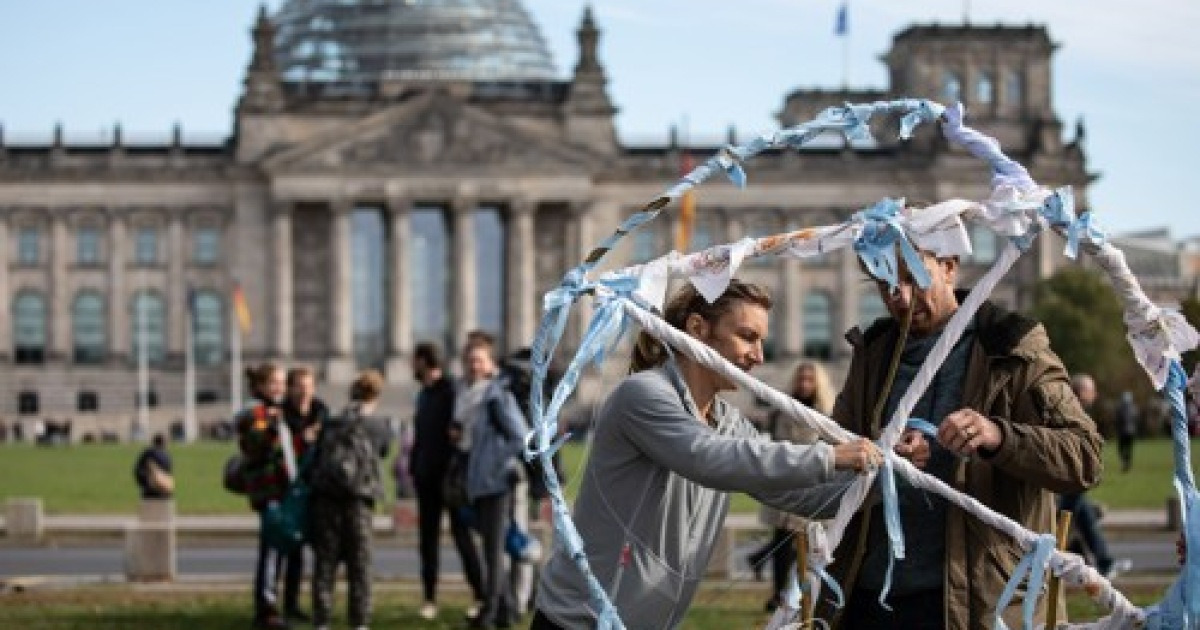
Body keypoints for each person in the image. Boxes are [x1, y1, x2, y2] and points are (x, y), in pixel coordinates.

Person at [532, 280, 882, 630]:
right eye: (747, 337)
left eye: (761, 341)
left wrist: (885, 477)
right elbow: (708, 457)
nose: (759, 356)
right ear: (698, 329)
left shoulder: (728, 422)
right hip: (578, 623)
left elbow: (799, 495)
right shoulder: (641, 394)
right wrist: (828, 457)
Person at [811, 239, 1104, 630]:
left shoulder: (1012, 347)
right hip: (868, 597)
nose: (901, 298)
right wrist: (877, 457)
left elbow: (1085, 458)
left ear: (949, 267)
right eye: (885, 284)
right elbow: (831, 462)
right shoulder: (873, 354)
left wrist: (998, 437)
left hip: (977, 604)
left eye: (914, 278)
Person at [746, 360, 836, 611]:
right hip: (785, 484)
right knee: (782, 542)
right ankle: (777, 595)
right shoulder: (782, 409)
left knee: (810, 544)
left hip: (812, 485)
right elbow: (774, 444)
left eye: (810, 379)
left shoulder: (826, 413)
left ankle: (804, 595)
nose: (804, 384)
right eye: (801, 379)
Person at [454, 334, 529, 630]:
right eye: (470, 360)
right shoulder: (468, 395)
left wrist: (495, 463)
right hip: (479, 483)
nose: (474, 365)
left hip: (496, 484)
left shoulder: (497, 394)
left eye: (479, 360)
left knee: (494, 551)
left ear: (489, 364)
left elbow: (520, 436)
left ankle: (490, 614)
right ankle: (505, 611)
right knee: (491, 548)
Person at [409, 342, 485, 621]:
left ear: (424, 361)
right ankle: (429, 598)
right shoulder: (423, 394)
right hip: (426, 477)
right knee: (427, 541)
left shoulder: (452, 391)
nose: (411, 365)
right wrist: (415, 467)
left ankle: (480, 595)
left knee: (462, 536)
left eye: (415, 360)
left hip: (450, 477)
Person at [308, 370, 386, 630]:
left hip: (327, 499)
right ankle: (359, 622)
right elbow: (382, 451)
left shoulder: (331, 423)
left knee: (325, 564)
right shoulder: (377, 426)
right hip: (358, 500)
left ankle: (322, 620)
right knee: (360, 566)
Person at [234, 363, 292, 630]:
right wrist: (270, 424)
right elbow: (255, 443)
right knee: (270, 549)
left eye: (282, 382)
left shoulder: (278, 410)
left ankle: (276, 603)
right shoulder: (255, 412)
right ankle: (266, 608)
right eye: (274, 383)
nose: (280, 388)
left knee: (279, 548)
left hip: (281, 486)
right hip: (267, 488)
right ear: (260, 386)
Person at [1058, 374, 1131, 580]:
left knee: (1083, 516)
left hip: (1072, 480)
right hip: (1068, 479)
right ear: (1082, 392)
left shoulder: (1072, 409)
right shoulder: (1072, 412)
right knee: (1071, 520)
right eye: (1092, 391)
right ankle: (1091, 562)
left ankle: (1100, 562)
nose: (1095, 395)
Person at [279, 366, 329, 624]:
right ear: (289, 389)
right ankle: (289, 604)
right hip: (291, 490)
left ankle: (321, 606)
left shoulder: (321, 411)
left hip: (317, 488)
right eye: (299, 387)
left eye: (308, 387)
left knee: (322, 551)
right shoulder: (282, 415)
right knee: (292, 552)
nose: (304, 392)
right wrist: (302, 438)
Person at [133, 433, 173, 500]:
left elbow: (137, 469)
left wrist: (145, 484)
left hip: (152, 487)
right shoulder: (165, 455)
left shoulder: (149, 453)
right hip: (164, 488)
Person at [1116, 391, 1139, 473]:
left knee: (1121, 449)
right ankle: (1128, 463)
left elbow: (1117, 420)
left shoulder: (1120, 409)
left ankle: (1125, 463)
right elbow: (1137, 419)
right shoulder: (1134, 408)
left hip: (1123, 432)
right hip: (1132, 432)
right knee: (1129, 449)